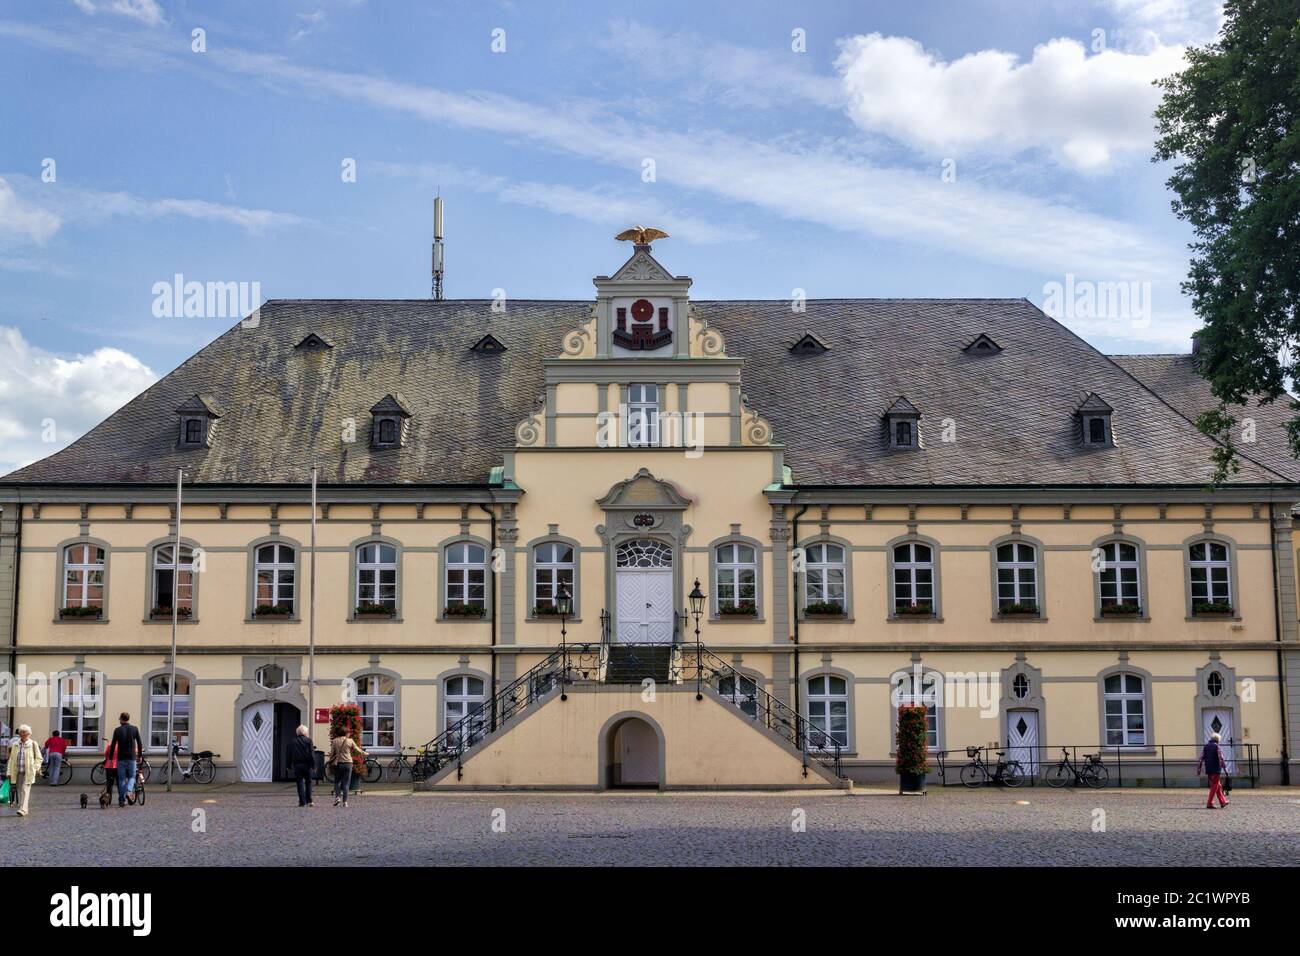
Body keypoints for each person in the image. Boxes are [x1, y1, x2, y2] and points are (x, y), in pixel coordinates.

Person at [6, 725, 43, 817]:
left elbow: (39, 758)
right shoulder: (15, 744)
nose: (23, 735)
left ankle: (22, 809)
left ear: (29, 734)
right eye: (21, 733)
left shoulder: (33, 744)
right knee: (20, 789)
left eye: (25, 733)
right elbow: (11, 759)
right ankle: (24, 809)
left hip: (29, 771)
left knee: (25, 789)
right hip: (17, 771)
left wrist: (35, 767)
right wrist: (9, 772)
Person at [109, 712, 144, 807]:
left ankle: (122, 800)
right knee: (132, 777)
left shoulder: (117, 730)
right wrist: (140, 756)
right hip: (131, 758)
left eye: (119, 719)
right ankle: (129, 791)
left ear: (121, 719)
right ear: (128, 719)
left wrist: (111, 759)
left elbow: (113, 745)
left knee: (121, 780)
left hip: (120, 758)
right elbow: (140, 744)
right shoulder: (134, 729)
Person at [327, 730, 366, 807]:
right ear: (346, 733)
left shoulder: (335, 741)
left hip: (338, 763)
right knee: (346, 783)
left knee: (337, 782)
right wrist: (364, 753)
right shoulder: (350, 741)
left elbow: (332, 753)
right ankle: (345, 802)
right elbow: (357, 749)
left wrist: (331, 760)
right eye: (348, 733)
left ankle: (338, 797)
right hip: (348, 763)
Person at [1197, 731, 1230, 810]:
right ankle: (1210, 803)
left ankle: (1223, 801)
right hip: (1216, 769)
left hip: (1208, 769)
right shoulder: (1217, 747)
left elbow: (1201, 758)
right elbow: (1221, 759)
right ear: (1218, 740)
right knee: (1214, 786)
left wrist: (1199, 769)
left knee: (1218, 785)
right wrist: (1226, 770)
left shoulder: (1206, 747)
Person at [289, 725, 315, 807]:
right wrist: (314, 765)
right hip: (307, 765)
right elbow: (312, 754)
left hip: (297, 765)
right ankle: (309, 800)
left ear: (297, 732)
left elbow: (289, 754)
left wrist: (288, 765)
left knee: (300, 783)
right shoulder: (309, 740)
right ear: (305, 732)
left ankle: (302, 802)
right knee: (308, 782)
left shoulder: (293, 741)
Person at [101, 736, 118, 806]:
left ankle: (108, 800)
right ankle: (121, 800)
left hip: (108, 766)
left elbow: (106, 754)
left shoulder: (109, 745)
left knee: (109, 784)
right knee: (119, 783)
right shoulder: (121, 746)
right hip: (117, 766)